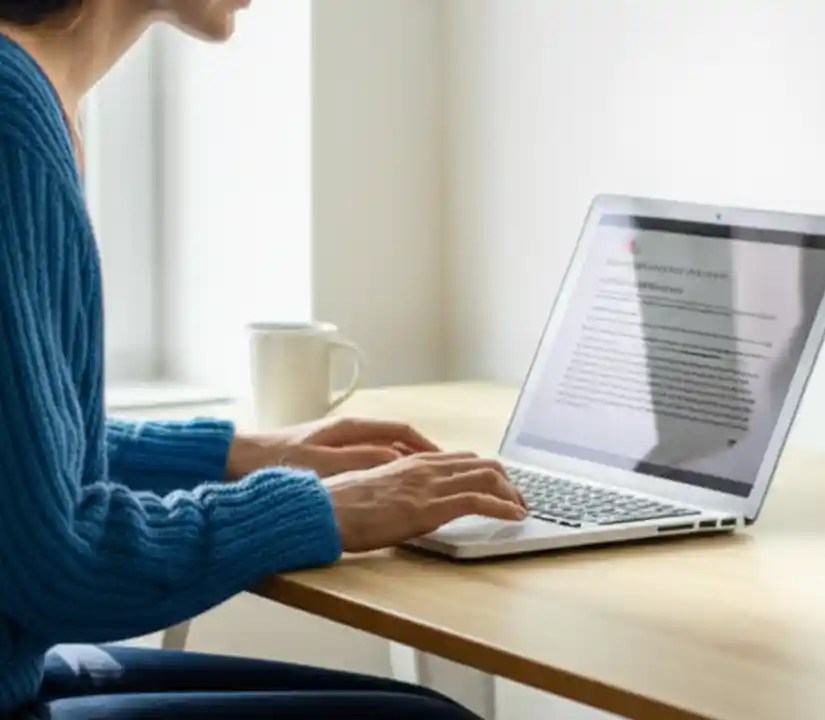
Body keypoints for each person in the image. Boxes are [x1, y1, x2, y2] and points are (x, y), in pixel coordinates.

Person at [0, 1, 530, 717]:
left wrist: (246, 453)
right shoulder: (12, 125)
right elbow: (60, 565)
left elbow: (27, 461)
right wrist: (319, 507)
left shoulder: (31, 96)